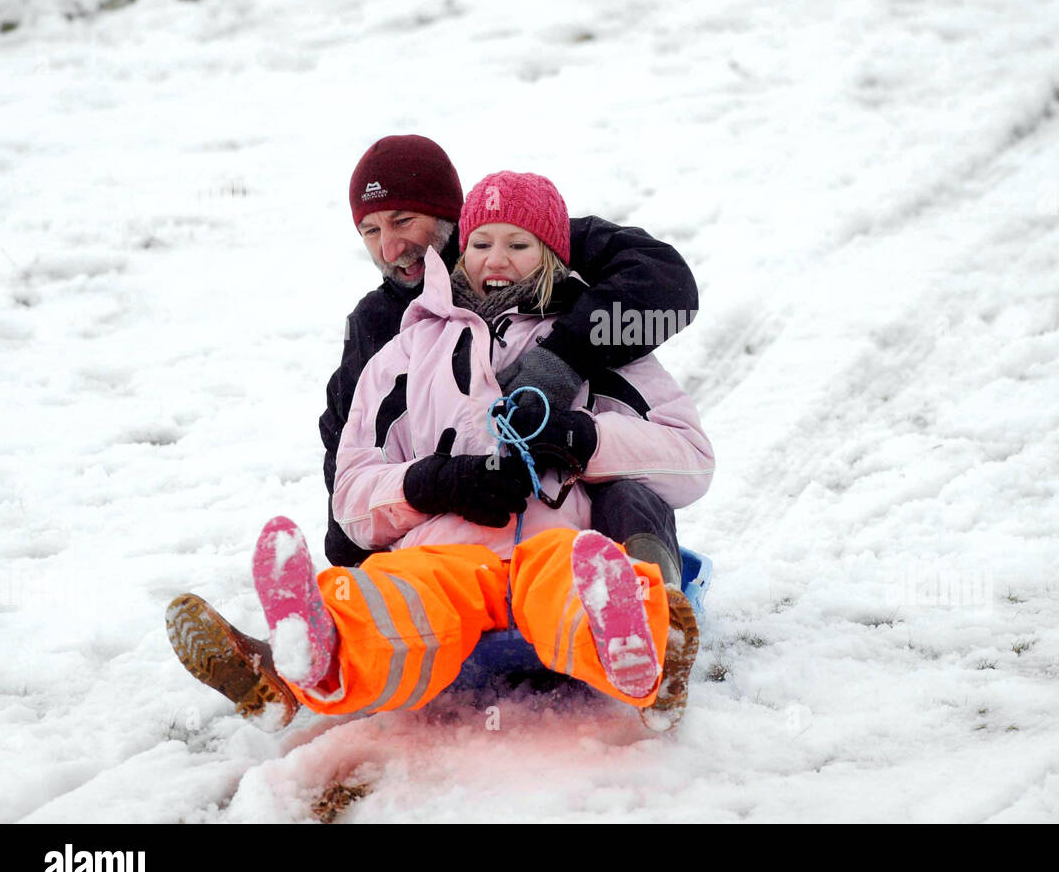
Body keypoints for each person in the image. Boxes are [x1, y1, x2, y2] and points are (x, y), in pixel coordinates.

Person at [167, 137, 702, 727]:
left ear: (551, 251)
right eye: (370, 230)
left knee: (579, 581)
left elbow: (688, 454)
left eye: (518, 244)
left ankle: (645, 650)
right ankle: (307, 657)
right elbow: (350, 480)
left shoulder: (597, 327)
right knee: (396, 593)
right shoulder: (397, 346)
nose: (496, 258)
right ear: (463, 248)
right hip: (442, 549)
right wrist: (426, 485)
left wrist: (584, 437)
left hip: (553, 537)